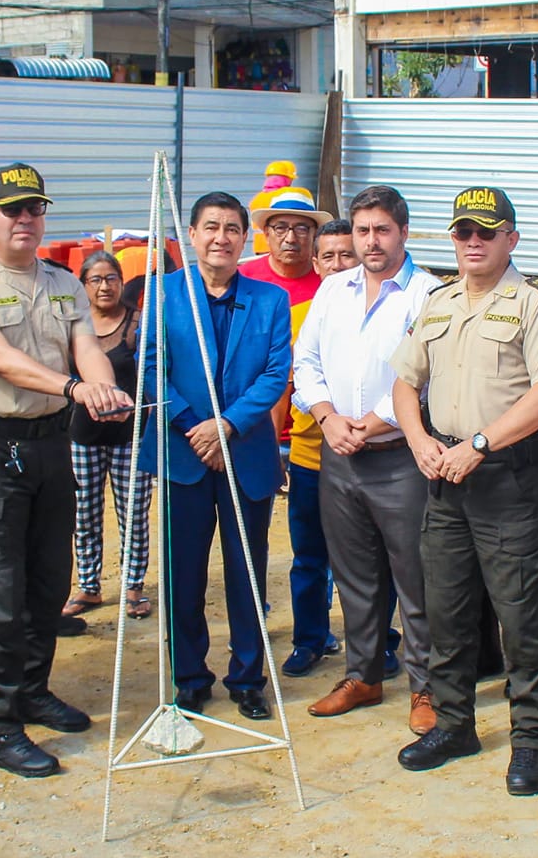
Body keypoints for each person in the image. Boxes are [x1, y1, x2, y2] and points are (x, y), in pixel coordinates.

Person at [0, 164, 131, 778]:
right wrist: (78, 389)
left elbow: (88, 348)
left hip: (51, 445)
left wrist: (103, 390)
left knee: (49, 580)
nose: (25, 220)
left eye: (35, 209)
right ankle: (0, 726)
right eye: (12, 210)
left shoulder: (62, 282)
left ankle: (33, 688)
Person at [392, 186, 538, 792]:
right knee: (447, 611)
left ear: (511, 239)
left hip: (506, 477)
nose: (472, 241)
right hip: (444, 474)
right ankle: (454, 724)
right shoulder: (437, 301)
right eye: (463, 231)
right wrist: (418, 441)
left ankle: (529, 742)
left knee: (520, 618)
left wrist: (481, 445)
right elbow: (404, 382)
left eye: (485, 232)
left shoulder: (532, 303)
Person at [295, 186, 442, 725]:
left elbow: (426, 374)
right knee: (354, 575)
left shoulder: (428, 294)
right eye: (362, 230)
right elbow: (305, 360)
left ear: (403, 231)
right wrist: (329, 418)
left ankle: (426, 687)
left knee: (415, 577)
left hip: (400, 457)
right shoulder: (334, 289)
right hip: (340, 454)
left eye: (382, 229)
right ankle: (363, 675)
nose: (371, 241)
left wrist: (377, 421)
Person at [144, 192, 292, 719]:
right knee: (183, 573)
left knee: (246, 571)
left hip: (245, 454)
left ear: (244, 238)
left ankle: (247, 676)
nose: (221, 238)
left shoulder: (269, 300)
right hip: (185, 455)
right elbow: (150, 369)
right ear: (191, 233)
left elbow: (276, 373)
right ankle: (189, 676)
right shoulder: (162, 294)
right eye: (211, 227)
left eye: (232, 228)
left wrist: (226, 426)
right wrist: (194, 428)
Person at [239, 187, 337, 676]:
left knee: (347, 549)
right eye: (280, 227)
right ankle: (297, 631)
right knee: (294, 545)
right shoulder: (246, 281)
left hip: (328, 434)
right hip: (260, 432)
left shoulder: (331, 286)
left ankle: (337, 629)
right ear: (265, 234)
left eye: (302, 228)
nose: (291, 238)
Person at [66, 251, 151, 622]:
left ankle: (133, 586)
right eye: (96, 280)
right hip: (82, 435)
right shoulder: (73, 325)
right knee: (84, 513)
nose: (104, 286)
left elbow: (154, 371)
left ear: (121, 281)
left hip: (129, 435)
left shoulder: (138, 324)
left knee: (133, 512)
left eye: (111, 278)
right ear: (83, 286)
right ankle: (88, 585)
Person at [248, 159, 299, 253]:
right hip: (279, 245)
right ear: (287, 179)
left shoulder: (257, 198)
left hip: (259, 247)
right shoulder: (285, 196)